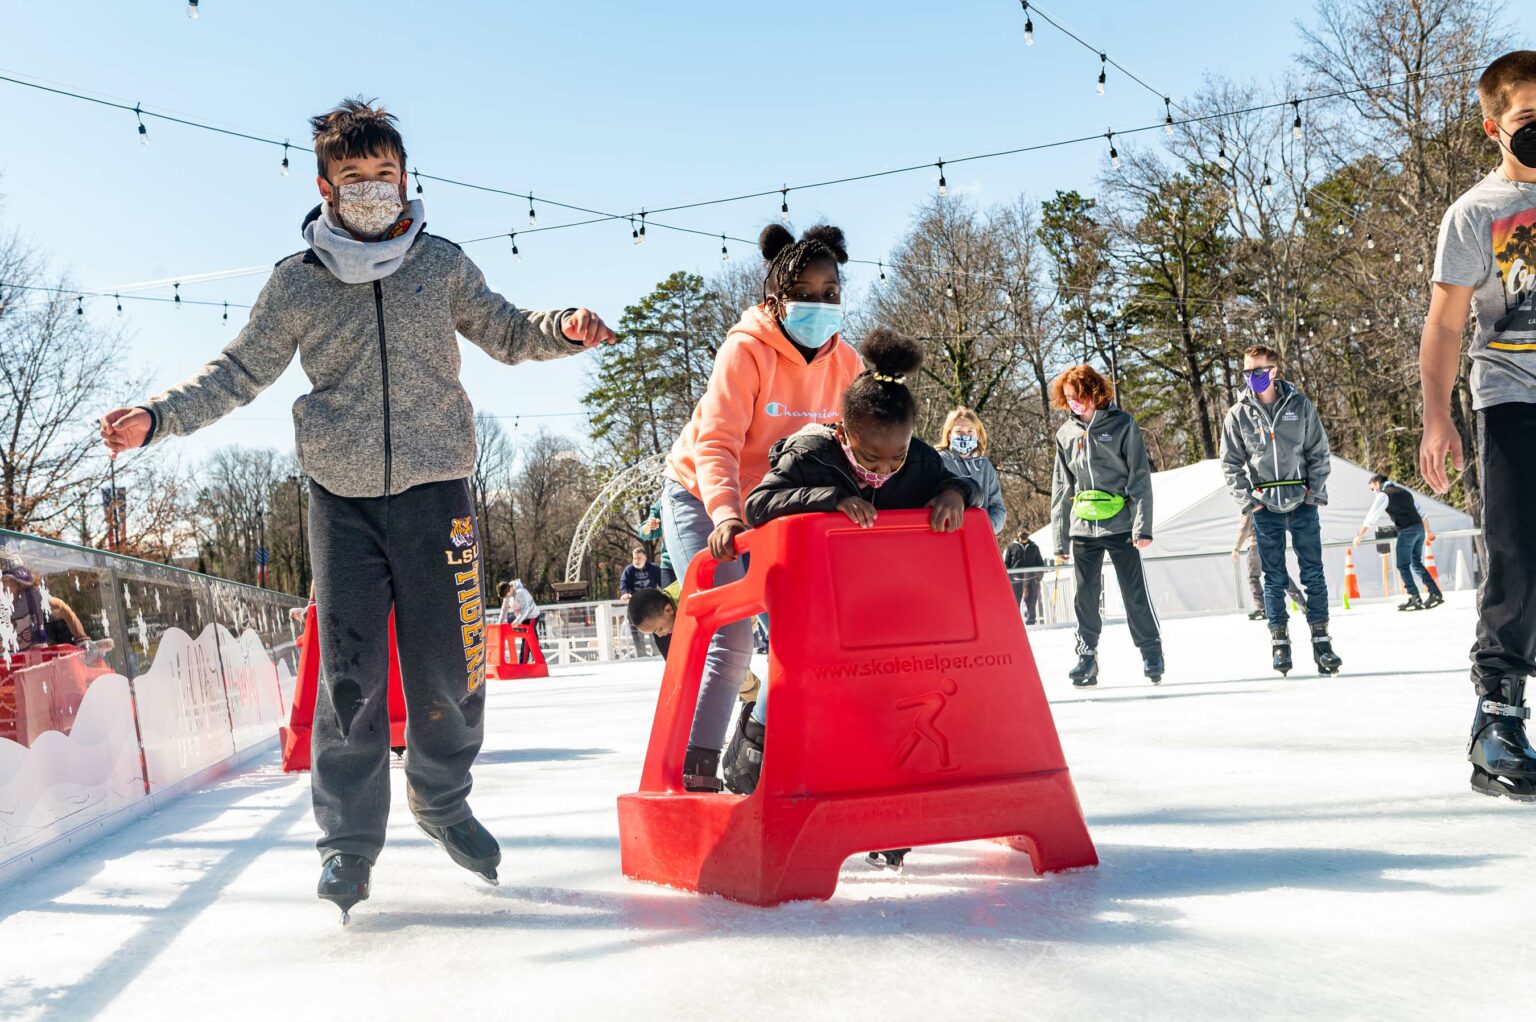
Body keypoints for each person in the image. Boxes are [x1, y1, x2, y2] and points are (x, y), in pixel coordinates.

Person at [97, 98, 615, 920]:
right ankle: (347, 841)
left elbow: (509, 331)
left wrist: (566, 326)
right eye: (354, 176)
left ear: (405, 179)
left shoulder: (440, 264)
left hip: (438, 491)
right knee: (349, 677)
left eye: (385, 174)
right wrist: (158, 416)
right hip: (340, 500)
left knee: (454, 668)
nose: (373, 189)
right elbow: (237, 372)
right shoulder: (297, 282)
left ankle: (441, 801)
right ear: (325, 187)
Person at [743, 327, 975, 871]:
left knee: (887, 709)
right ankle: (753, 753)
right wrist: (829, 498)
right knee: (818, 706)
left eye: (896, 458)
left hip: (883, 610)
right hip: (815, 606)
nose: (886, 470)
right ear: (845, 432)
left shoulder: (918, 460)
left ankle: (886, 823)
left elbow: (966, 485)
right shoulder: (811, 454)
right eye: (872, 456)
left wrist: (952, 493)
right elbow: (758, 505)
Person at [659, 223, 863, 793]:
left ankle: (752, 748)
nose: (820, 303)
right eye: (805, 293)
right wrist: (725, 513)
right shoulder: (745, 350)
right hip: (702, 495)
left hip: (777, 508)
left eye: (831, 293)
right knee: (730, 631)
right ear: (775, 300)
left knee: (808, 636)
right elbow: (717, 443)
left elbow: (864, 449)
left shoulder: (847, 364)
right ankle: (696, 766)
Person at [1420, 51, 1536, 801]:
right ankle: (1496, 719)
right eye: (1529, 119)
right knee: (1518, 558)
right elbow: (1444, 324)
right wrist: (1437, 417)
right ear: (1495, 128)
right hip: (1513, 398)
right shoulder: (1476, 213)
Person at [1219, 344, 1342, 678]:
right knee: (1273, 577)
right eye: (1246, 371)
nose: (1251, 377)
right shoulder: (1238, 414)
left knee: (1313, 573)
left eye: (1257, 371)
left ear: (1273, 371)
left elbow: (1318, 451)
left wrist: (1314, 493)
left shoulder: (1299, 406)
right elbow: (1230, 464)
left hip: (1302, 502)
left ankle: (1322, 641)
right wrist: (1249, 501)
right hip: (1265, 506)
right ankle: (1280, 642)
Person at [1049, 365, 1164, 686]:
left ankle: (1151, 651)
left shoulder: (1123, 424)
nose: (1075, 403)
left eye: (1080, 396)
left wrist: (1142, 526)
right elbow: (1061, 488)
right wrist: (1059, 540)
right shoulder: (1065, 434)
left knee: (1133, 591)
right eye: (1069, 397)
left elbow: (1139, 477)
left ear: (1095, 392)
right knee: (1085, 596)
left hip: (1120, 524)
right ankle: (1086, 656)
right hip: (1083, 527)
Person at [626, 583, 760, 697]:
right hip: (720, 625)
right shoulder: (664, 624)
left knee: (730, 669)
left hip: (736, 607)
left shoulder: (688, 597)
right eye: (654, 633)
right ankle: (755, 701)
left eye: (659, 629)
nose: (660, 635)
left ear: (668, 610)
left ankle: (758, 701)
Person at [1353, 474, 1444, 612]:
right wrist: (1429, 531)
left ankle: (1414, 597)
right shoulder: (1405, 492)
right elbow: (1422, 513)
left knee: (1402, 565)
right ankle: (1435, 593)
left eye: (1372, 489)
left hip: (1407, 531)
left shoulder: (1384, 494)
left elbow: (1372, 517)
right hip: (1419, 529)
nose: (1373, 492)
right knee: (1416, 563)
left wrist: (1360, 535)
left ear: (1377, 484)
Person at [936, 407, 1007, 535]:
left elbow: (998, 508)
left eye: (970, 431)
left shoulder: (985, 466)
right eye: (959, 431)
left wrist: (985, 528)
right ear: (949, 434)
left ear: (977, 434)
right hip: (946, 535)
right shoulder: (937, 462)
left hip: (978, 537)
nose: (965, 435)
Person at [1, 554, 90, 650]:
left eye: (6, 580)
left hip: (38, 657)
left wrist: (82, 640)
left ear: (18, 582)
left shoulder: (33, 597)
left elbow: (63, 609)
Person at [1233, 508, 1307, 621]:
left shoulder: (1247, 506)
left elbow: (1244, 528)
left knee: (1253, 577)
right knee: (1279, 573)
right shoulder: (1267, 503)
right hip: (1271, 542)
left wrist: (1236, 548)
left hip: (1256, 544)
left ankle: (1261, 608)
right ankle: (1302, 603)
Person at [619, 546, 663, 656]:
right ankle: (641, 654)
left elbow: (662, 582)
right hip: (635, 604)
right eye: (634, 558)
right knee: (636, 631)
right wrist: (625, 593)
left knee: (655, 628)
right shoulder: (629, 570)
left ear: (645, 558)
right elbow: (624, 583)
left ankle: (657, 653)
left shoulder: (654, 569)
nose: (636, 560)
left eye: (639, 558)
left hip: (652, 604)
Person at [1003, 528, 1045, 625]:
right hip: (1016, 579)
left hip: (1031, 578)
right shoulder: (1011, 547)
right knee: (1014, 602)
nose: (1024, 533)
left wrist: (1038, 577)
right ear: (1018, 533)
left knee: (1031, 601)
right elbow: (1006, 564)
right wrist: (1008, 577)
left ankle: (1031, 622)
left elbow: (1040, 563)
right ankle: (1014, 623)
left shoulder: (1034, 547)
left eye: (1026, 531)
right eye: (1022, 531)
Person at [637, 501, 674, 586]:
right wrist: (649, 525)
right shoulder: (662, 502)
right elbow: (643, 534)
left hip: (699, 560)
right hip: (670, 565)